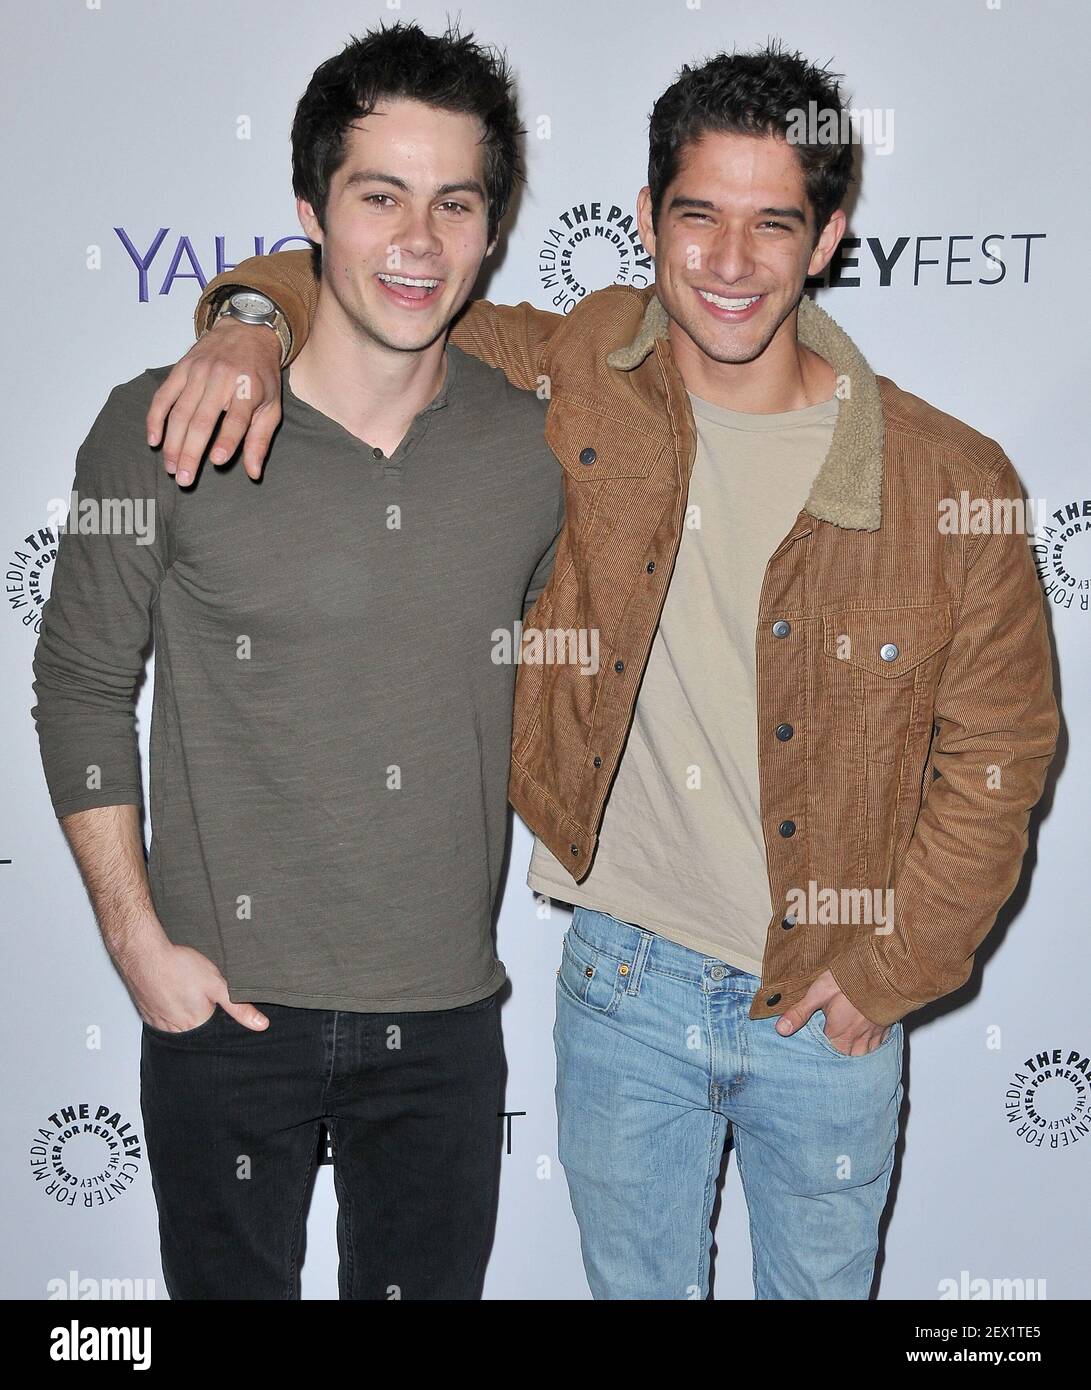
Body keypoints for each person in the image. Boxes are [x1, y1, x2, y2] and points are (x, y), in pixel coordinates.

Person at [145, 43, 1059, 1300]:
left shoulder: (952, 480)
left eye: (771, 224)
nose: (729, 264)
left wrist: (892, 969)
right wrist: (248, 321)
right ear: (645, 220)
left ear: (830, 234)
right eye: (696, 217)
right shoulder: (580, 365)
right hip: (625, 986)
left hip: (830, 998)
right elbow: (383, 288)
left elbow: (1000, 758)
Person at [31, 23, 565, 1300]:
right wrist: (135, 944)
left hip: (444, 1019)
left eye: (454, 202)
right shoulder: (163, 422)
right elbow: (82, 684)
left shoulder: (540, 450)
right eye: (378, 195)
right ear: (309, 214)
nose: (417, 242)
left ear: (493, 230)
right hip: (223, 1012)